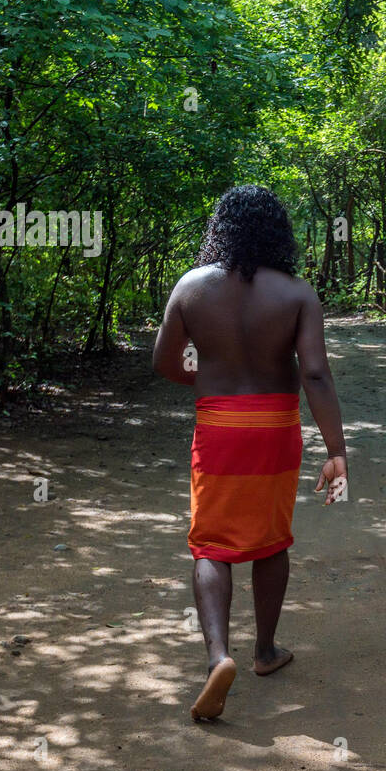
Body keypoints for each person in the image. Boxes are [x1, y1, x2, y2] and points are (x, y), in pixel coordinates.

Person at [153, 184, 348, 722]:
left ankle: (219, 656)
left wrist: (204, 374)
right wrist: (336, 449)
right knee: (270, 540)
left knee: (211, 545)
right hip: (275, 429)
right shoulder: (297, 294)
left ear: (221, 228)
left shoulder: (192, 287)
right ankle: (264, 651)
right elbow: (313, 373)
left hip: (218, 428)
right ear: (277, 233)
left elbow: (164, 361)